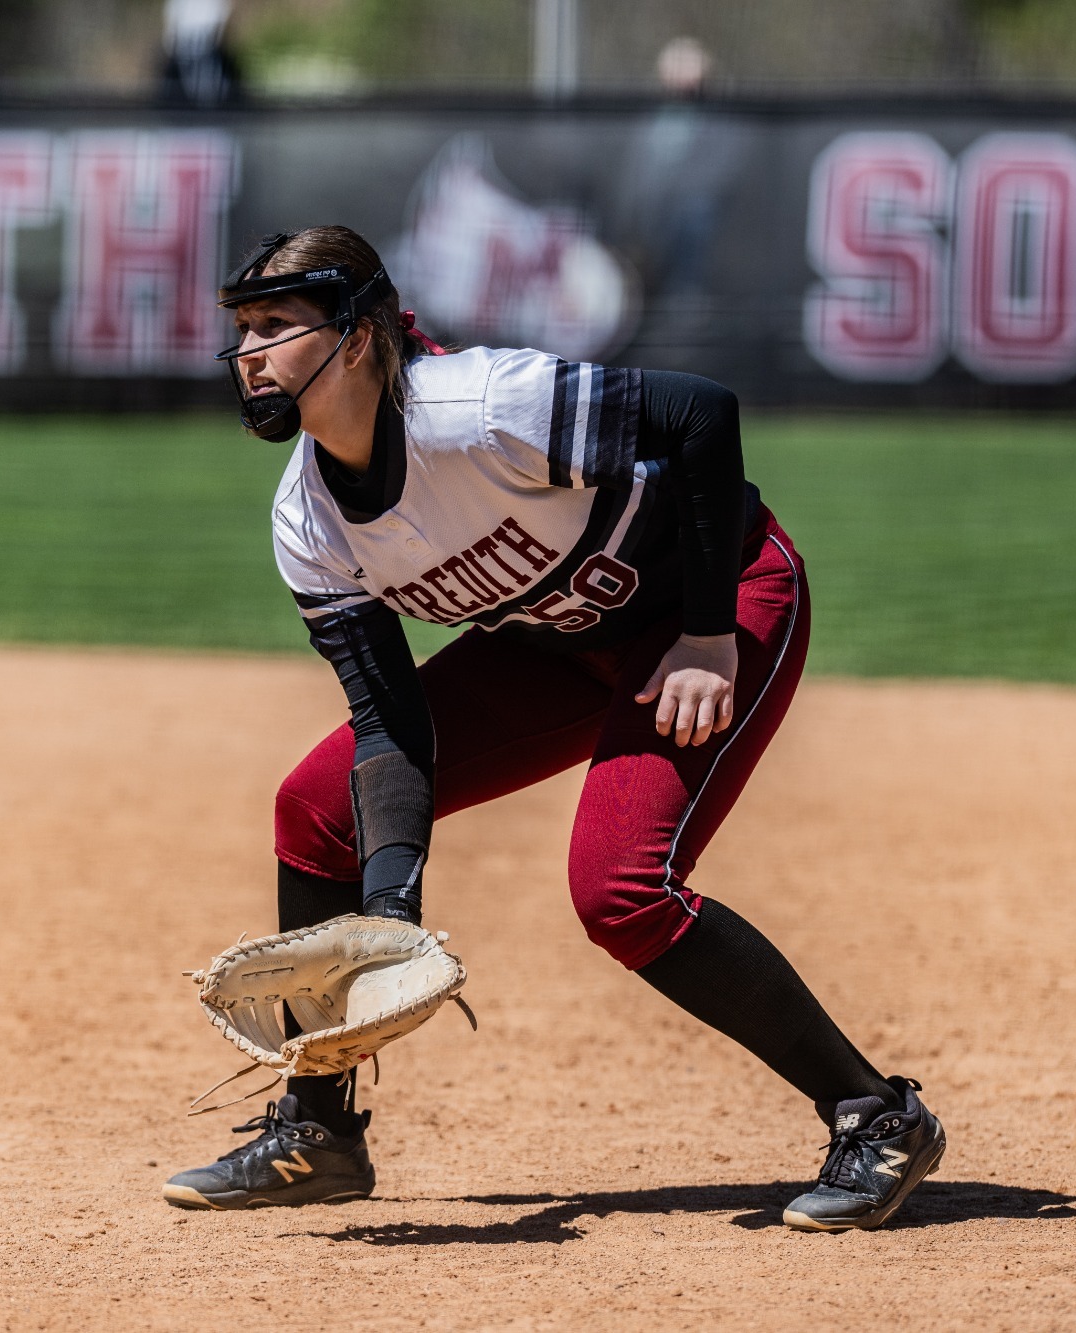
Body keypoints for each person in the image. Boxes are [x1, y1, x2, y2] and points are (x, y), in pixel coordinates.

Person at [160, 227, 944, 1232]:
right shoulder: (308, 522)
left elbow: (698, 416)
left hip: (711, 601)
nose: (249, 353)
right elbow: (388, 719)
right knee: (315, 807)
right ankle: (317, 1132)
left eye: (274, 325)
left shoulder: (478, 409)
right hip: (553, 644)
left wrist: (706, 633)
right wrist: (389, 910)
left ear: (355, 339)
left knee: (618, 890)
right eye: (241, 331)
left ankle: (876, 1114)